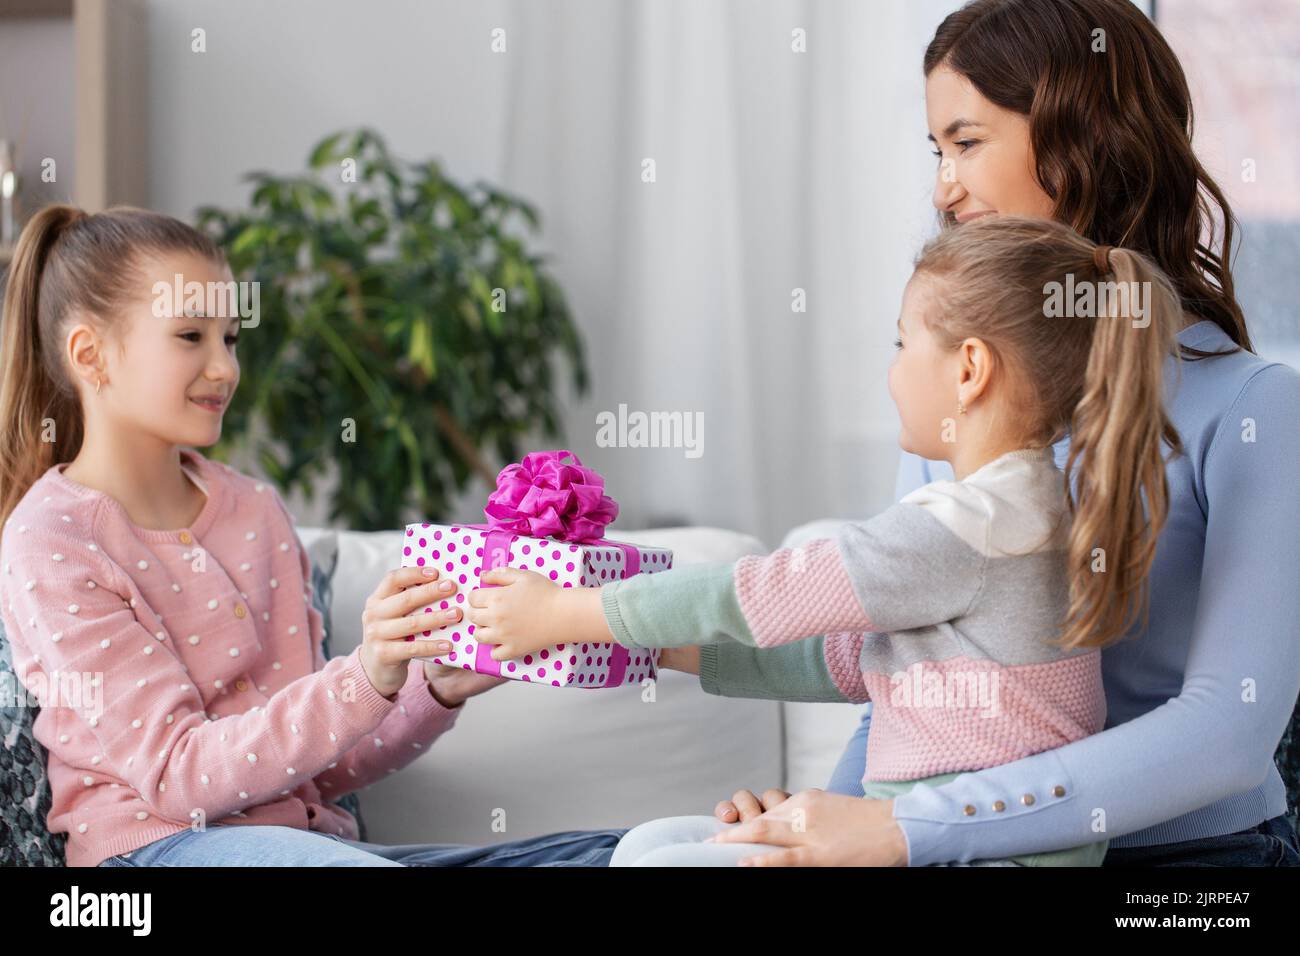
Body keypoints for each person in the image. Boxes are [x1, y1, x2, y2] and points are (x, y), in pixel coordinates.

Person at [468, 215, 1188, 866]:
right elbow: (849, 658)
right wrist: (649, 645)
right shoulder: (1025, 511)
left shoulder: (969, 521)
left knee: (655, 862)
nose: (893, 368)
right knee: (656, 845)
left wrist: (572, 612)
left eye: (903, 343)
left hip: (978, 856)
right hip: (971, 846)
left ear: (968, 369)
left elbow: (762, 591)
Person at [0, 204, 622, 866]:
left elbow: (320, 768)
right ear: (91, 355)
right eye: (190, 337)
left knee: (620, 855)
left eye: (231, 339)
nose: (225, 369)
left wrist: (427, 685)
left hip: (310, 849)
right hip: (159, 850)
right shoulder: (52, 537)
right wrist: (362, 673)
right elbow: (179, 777)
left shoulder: (255, 510)